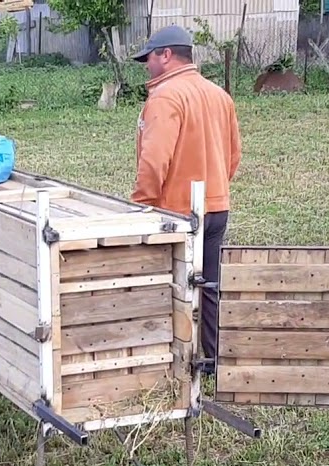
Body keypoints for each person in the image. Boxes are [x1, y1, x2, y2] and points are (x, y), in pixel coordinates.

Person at [130, 25, 241, 366]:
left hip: (177, 212)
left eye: (149, 57)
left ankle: (173, 360)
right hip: (216, 207)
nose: (146, 65)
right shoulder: (219, 95)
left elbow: (154, 159)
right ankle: (213, 360)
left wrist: (142, 207)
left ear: (166, 55)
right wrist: (216, 187)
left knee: (171, 285)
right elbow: (234, 155)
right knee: (209, 286)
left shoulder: (165, 97)